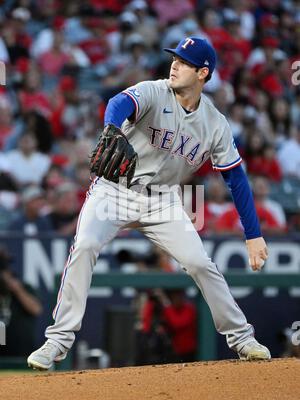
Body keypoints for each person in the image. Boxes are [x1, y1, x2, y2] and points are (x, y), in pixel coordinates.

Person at [28, 36, 271, 371]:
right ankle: (58, 340)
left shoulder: (214, 123)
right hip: (114, 191)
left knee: (201, 264)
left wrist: (253, 234)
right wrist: (112, 128)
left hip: (164, 201)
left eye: (184, 63)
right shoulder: (155, 91)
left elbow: (236, 179)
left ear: (203, 73)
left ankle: (242, 338)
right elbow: (118, 102)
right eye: (175, 58)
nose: (175, 65)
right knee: (84, 246)